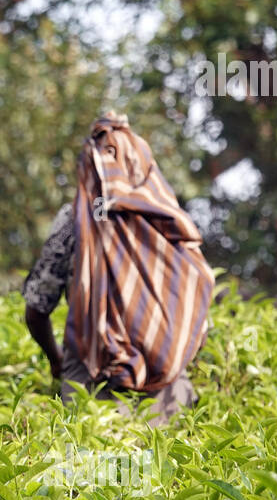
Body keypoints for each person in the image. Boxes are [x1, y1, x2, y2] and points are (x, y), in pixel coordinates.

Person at [22, 111, 215, 426]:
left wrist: (56, 361)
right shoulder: (169, 223)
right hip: (168, 387)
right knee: (172, 470)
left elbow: (37, 308)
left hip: (92, 379)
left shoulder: (73, 223)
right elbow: (197, 308)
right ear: (142, 165)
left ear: (88, 170)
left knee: (94, 469)